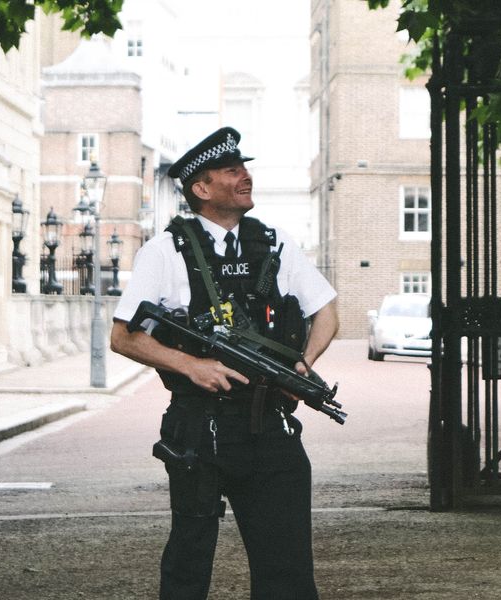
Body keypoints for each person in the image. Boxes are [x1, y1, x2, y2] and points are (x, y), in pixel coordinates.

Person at [110, 127, 338, 600]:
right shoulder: (165, 251)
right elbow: (123, 336)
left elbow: (327, 312)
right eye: (233, 171)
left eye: (245, 168)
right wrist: (191, 366)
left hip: (271, 424)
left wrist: (303, 366)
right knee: (190, 562)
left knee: (288, 568)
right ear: (202, 187)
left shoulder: (275, 244)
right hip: (201, 426)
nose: (245, 177)